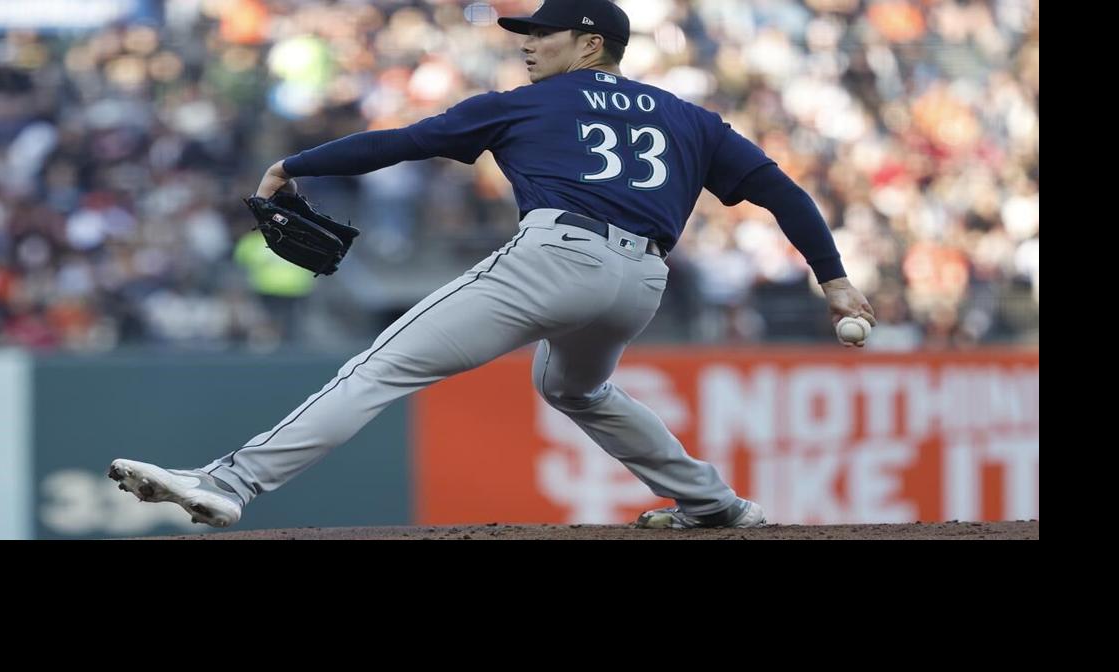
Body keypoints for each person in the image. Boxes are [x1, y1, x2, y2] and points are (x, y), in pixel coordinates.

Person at [108, 0, 876, 530]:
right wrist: (833, 279)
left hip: (558, 257)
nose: (528, 42)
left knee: (379, 368)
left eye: (543, 32)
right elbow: (783, 191)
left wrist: (293, 164)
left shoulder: (525, 104)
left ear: (590, 43)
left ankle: (230, 481)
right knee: (574, 387)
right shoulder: (690, 118)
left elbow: (402, 142)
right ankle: (713, 505)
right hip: (641, 282)